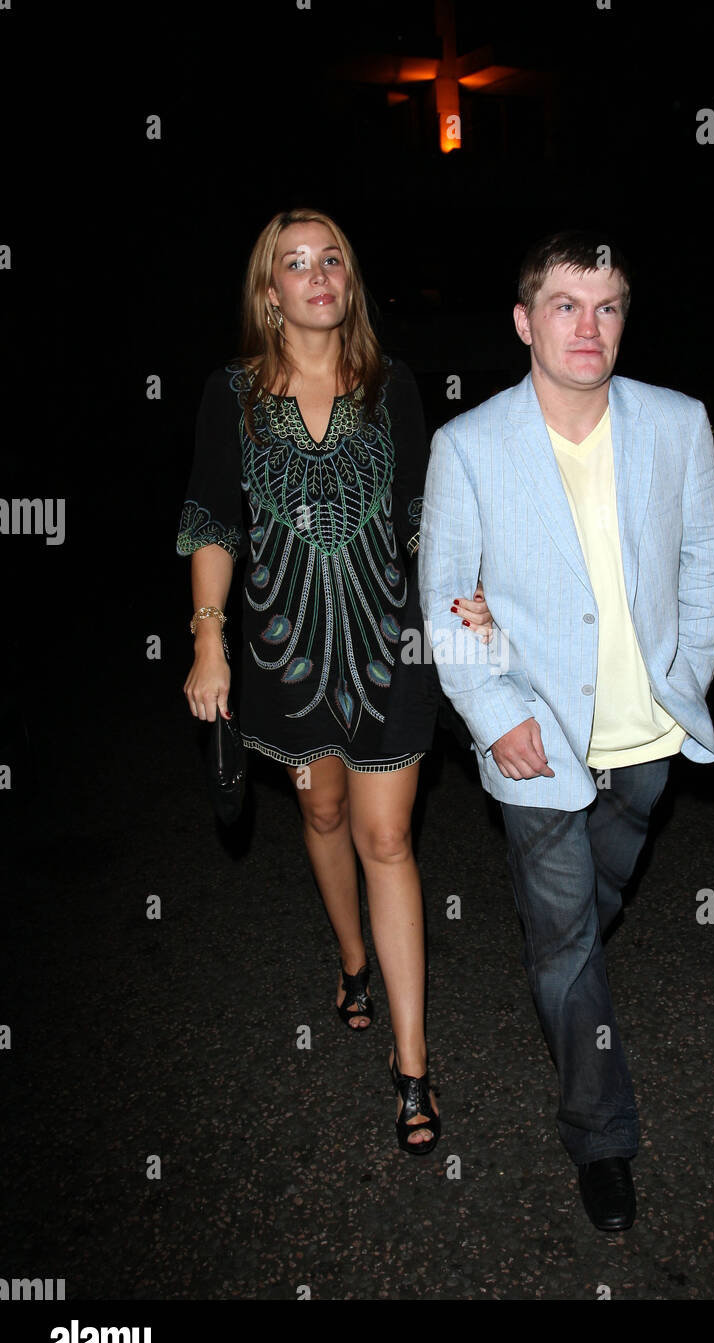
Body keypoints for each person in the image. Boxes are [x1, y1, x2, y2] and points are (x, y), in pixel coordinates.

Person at [419, 230, 714, 1225]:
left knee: (590, 908)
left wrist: (683, 673)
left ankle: (560, 956)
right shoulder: (468, 445)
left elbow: (703, 565)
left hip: (648, 739)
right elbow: (443, 597)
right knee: (564, 941)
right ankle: (601, 1136)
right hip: (535, 741)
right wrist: (494, 710)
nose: (587, 326)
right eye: (565, 304)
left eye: (606, 307)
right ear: (524, 321)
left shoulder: (677, 424)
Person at [177, 208, 491, 1154]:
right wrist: (207, 639)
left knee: (386, 837)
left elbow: (421, 517)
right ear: (269, 291)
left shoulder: (390, 387)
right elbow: (212, 519)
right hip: (282, 651)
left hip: (390, 648)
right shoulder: (229, 394)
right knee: (322, 816)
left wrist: (464, 594)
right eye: (296, 263)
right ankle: (352, 959)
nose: (318, 275)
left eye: (333, 261)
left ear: (348, 282)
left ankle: (411, 1068)